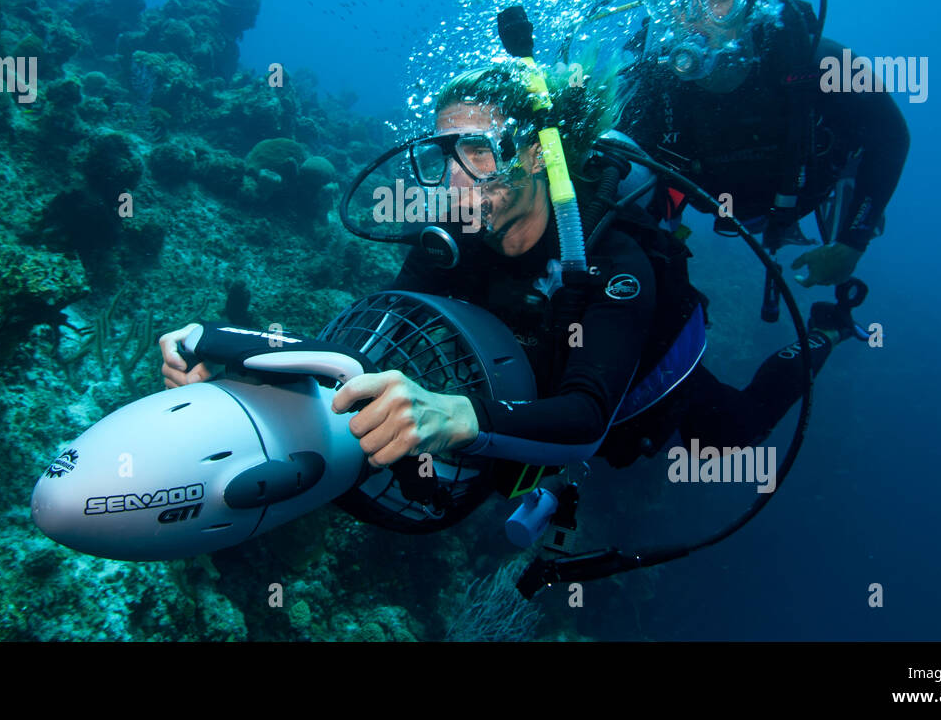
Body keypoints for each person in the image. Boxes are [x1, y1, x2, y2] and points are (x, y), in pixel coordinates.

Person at [160, 60, 864, 477]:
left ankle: (822, 340)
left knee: (723, 441)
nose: (454, 181)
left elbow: (588, 418)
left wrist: (458, 413)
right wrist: (240, 359)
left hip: (637, 385)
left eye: (477, 151)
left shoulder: (611, 256)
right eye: (444, 156)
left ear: (533, 153)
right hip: (530, 393)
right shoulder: (451, 240)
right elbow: (359, 353)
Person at [616, 0, 910, 287]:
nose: (693, 14)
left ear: (755, 0)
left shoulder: (821, 64)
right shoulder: (655, 83)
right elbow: (620, 165)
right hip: (713, 201)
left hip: (808, 190)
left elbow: (890, 137)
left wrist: (852, 242)